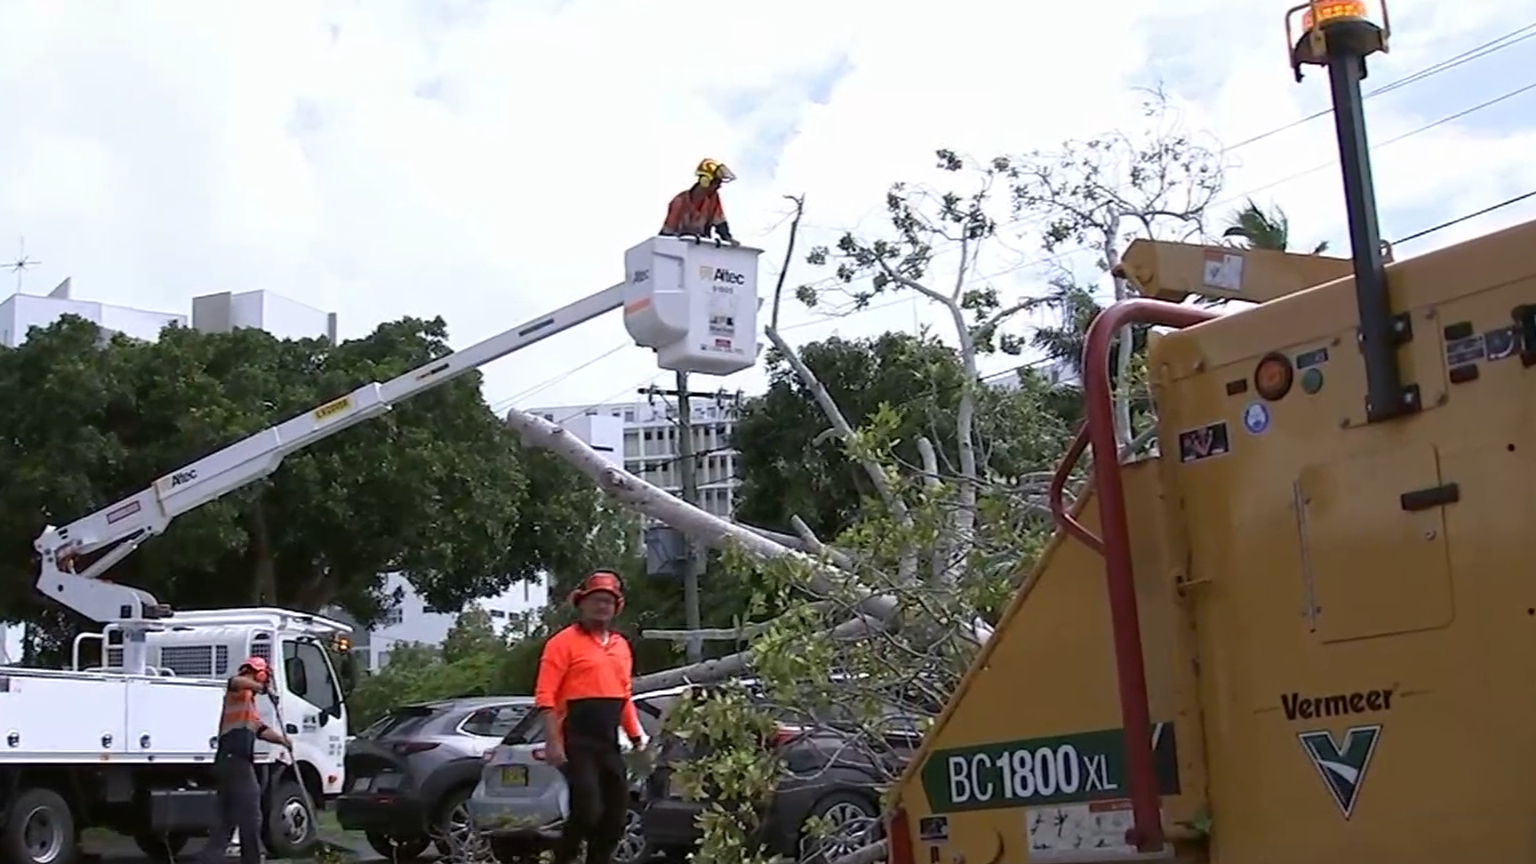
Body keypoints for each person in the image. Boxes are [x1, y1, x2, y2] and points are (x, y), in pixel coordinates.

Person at [535, 571, 647, 864]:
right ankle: (564, 857)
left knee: (615, 816)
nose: (602, 606)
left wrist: (636, 736)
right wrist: (553, 742)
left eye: (608, 601)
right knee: (588, 810)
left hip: (608, 742)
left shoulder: (621, 646)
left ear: (616, 607)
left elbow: (624, 695)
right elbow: (545, 696)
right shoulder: (562, 643)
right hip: (576, 739)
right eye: (596, 600)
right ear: (581, 604)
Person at [201, 656, 291, 864]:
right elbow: (235, 681)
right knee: (251, 814)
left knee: (227, 820)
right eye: (264, 676)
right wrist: (264, 689)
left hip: (229, 761)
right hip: (235, 760)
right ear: (259, 673)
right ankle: (252, 859)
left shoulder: (248, 704)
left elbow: (260, 729)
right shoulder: (238, 691)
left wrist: (282, 740)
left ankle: (208, 859)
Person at [660, 158, 740, 245]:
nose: (719, 187)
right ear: (705, 181)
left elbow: (719, 222)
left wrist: (728, 238)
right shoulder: (679, 202)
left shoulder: (713, 199)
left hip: (701, 245)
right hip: (680, 245)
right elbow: (667, 232)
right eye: (717, 183)